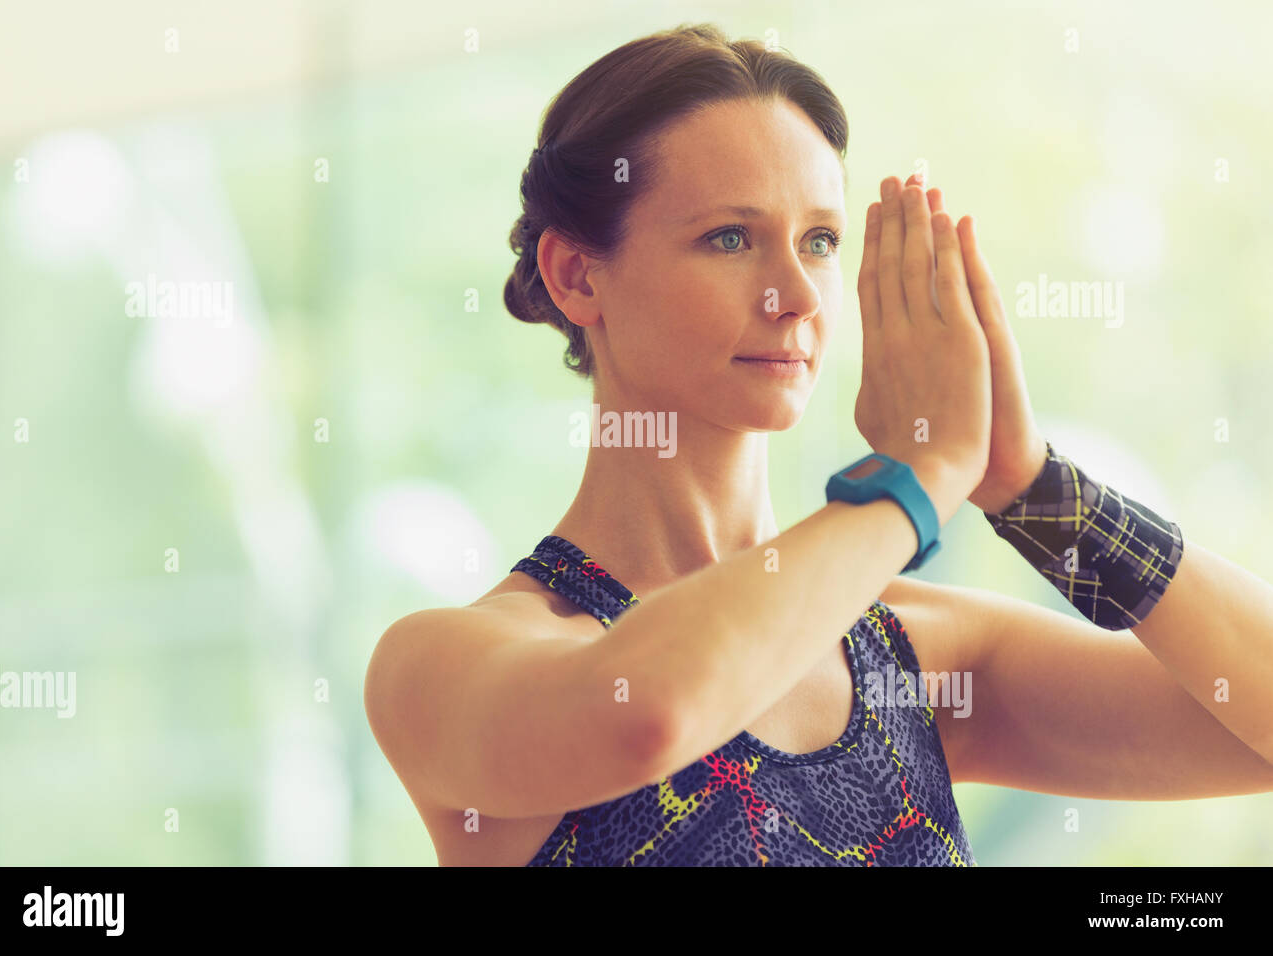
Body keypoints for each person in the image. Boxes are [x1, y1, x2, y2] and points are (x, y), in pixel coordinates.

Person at [364, 23, 1273, 866]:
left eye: (820, 241)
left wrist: (1031, 488)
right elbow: (648, 716)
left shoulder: (913, 656)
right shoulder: (443, 664)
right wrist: (911, 483)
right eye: (730, 237)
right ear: (576, 274)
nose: (796, 294)